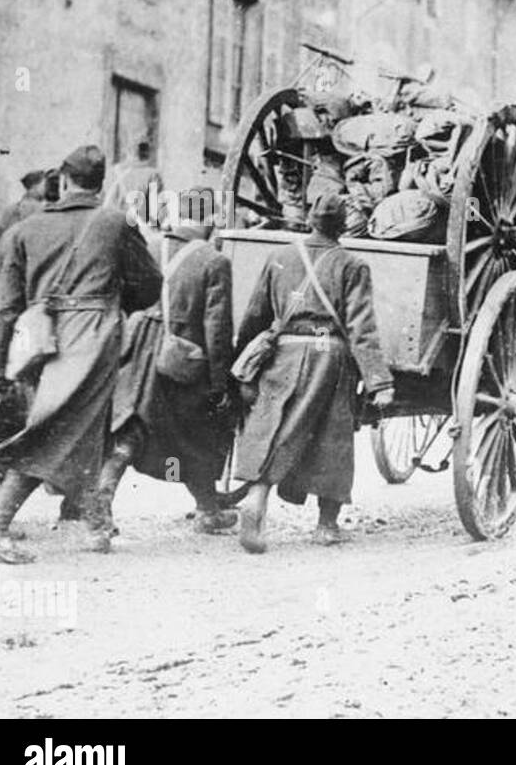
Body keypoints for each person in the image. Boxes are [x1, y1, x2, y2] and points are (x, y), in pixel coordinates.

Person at [0, 145, 163, 563]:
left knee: (82, 421)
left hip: (37, 338)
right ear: (99, 183)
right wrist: (113, 306)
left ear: (62, 179)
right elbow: (150, 284)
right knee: (57, 425)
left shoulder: (23, 230)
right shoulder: (115, 223)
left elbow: (2, 306)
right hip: (92, 334)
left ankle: (92, 522)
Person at [232, 194, 395, 553]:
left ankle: (256, 499)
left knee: (273, 423)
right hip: (328, 353)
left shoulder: (279, 257)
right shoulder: (353, 264)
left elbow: (255, 314)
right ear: (343, 226)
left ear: (309, 220)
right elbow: (361, 327)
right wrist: (379, 380)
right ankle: (326, 526)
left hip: (284, 350)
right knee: (332, 434)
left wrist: (242, 361)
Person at [93, 187, 237, 537]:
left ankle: (105, 499)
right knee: (195, 432)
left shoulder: (152, 245)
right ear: (212, 219)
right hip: (182, 355)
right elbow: (217, 328)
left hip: (138, 345)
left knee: (132, 425)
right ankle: (205, 510)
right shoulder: (214, 261)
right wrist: (220, 381)